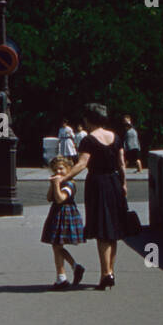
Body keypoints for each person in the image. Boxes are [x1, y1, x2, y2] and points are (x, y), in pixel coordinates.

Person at [53, 103, 129, 290]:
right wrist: (124, 184)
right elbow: (121, 163)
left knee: (103, 230)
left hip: (98, 183)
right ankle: (111, 271)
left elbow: (82, 164)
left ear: (89, 119)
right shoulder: (115, 137)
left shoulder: (88, 140)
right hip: (114, 182)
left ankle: (105, 275)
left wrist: (64, 178)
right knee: (113, 231)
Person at [41, 156, 86, 289]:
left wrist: (56, 184)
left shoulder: (70, 184)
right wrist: (52, 185)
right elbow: (49, 198)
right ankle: (63, 275)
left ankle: (67, 273)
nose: (58, 172)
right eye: (55, 170)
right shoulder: (59, 182)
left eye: (61, 169)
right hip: (56, 214)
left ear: (68, 169)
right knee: (56, 245)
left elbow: (60, 199)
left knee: (57, 245)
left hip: (66, 214)